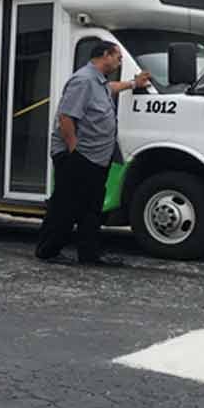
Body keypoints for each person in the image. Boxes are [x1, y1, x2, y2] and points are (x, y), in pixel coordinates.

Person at [35, 40, 150, 267]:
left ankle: (89, 254)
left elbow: (110, 89)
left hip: (96, 157)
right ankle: (47, 250)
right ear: (105, 55)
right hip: (80, 156)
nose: (119, 62)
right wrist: (73, 149)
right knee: (65, 206)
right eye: (118, 57)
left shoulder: (98, 82)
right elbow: (66, 117)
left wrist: (133, 83)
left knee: (91, 207)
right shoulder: (83, 81)